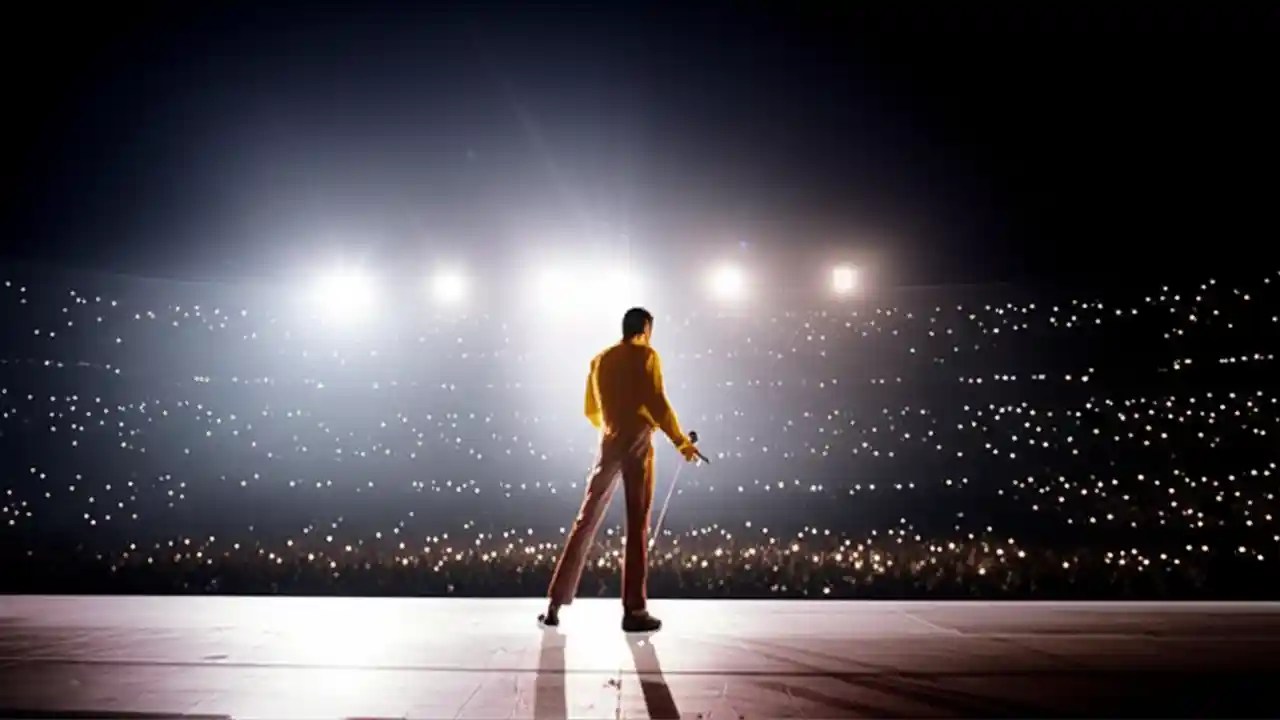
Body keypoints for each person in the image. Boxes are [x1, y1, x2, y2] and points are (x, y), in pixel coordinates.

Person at [539, 307, 701, 632]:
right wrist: (681, 442)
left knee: (586, 519)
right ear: (645, 329)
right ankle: (634, 610)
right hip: (637, 440)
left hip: (608, 440)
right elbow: (657, 402)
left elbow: (590, 410)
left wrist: (612, 427)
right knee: (637, 523)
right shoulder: (647, 356)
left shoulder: (599, 360)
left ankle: (555, 604)